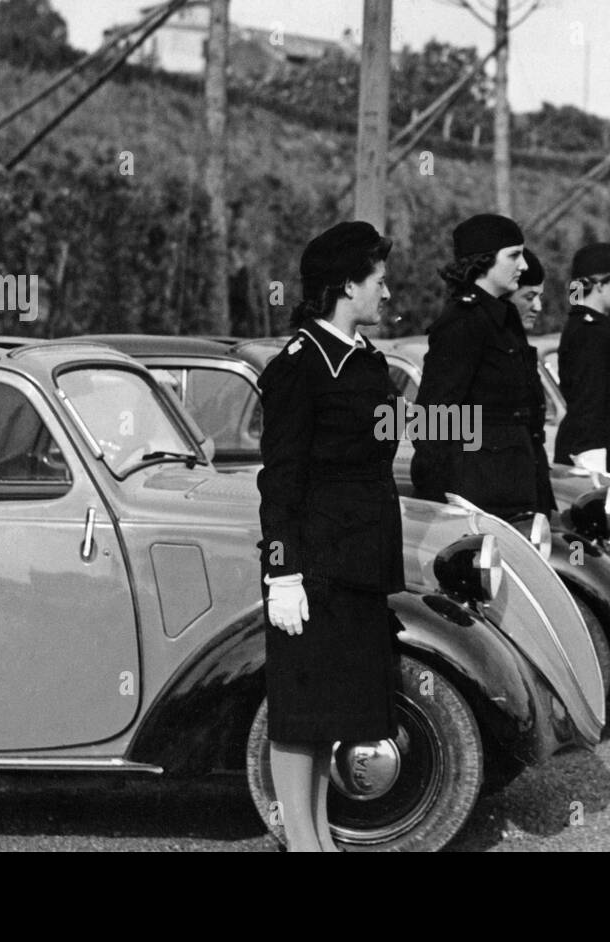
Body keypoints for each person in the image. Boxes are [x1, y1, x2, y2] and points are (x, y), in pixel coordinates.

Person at [256, 220, 404, 853]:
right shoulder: (298, 367)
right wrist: (281, 573)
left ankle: (318, 840)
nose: (387, 292)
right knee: (300, 711)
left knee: (333, 714)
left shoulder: (366, 361)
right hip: (312, 565)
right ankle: (304, 843)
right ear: (347, 286)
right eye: (378, 280)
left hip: (358, 562)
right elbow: (280, 479)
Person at [410, 213, 545, 518]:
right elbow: (433, 418)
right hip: (478, 496)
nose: (522, 266)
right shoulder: (464, 321)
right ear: (484, 261)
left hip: (515, 488)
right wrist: (439, 500)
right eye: (513, 255)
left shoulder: (504, 320)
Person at [554, 242, 610, 475]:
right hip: (596, 455)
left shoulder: (598, 327)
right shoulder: (590, 332)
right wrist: (591, 464)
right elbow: (588, 402)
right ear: (600, 285)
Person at [508, 248, 557, 515]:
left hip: (528, 485)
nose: (537, 307)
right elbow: (439, 419)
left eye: (539, 297)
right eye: (529, 297)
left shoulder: (517, 345)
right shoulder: (471, 335)